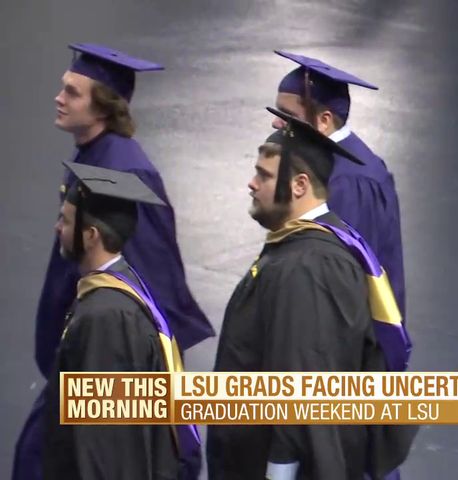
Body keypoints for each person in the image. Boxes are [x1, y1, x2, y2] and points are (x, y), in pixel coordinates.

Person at [14, 43, 211, 480]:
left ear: (102, 107)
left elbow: (150, 274)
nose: (58, 97)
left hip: (104, 354)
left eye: (72, 92)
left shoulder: (127, 173)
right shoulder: (92, 154)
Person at [207, 108, 415, 480]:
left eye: (263, 175)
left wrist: (280, 472)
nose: (252, 184)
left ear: (300, 185)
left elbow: (300, 388)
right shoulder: (316, 244)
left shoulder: (308, 267)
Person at [42, 162, 201, 480]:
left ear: (90, 236)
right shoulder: (123, 288)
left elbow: (107, 447)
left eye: (65, 219)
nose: (57, 228)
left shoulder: (106, 319)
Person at [271, 51, 407, 318]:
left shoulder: (350, 182)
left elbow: (344, 276)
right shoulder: (325, 160)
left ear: (324, 120)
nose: (276, 122)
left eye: (287, 114)